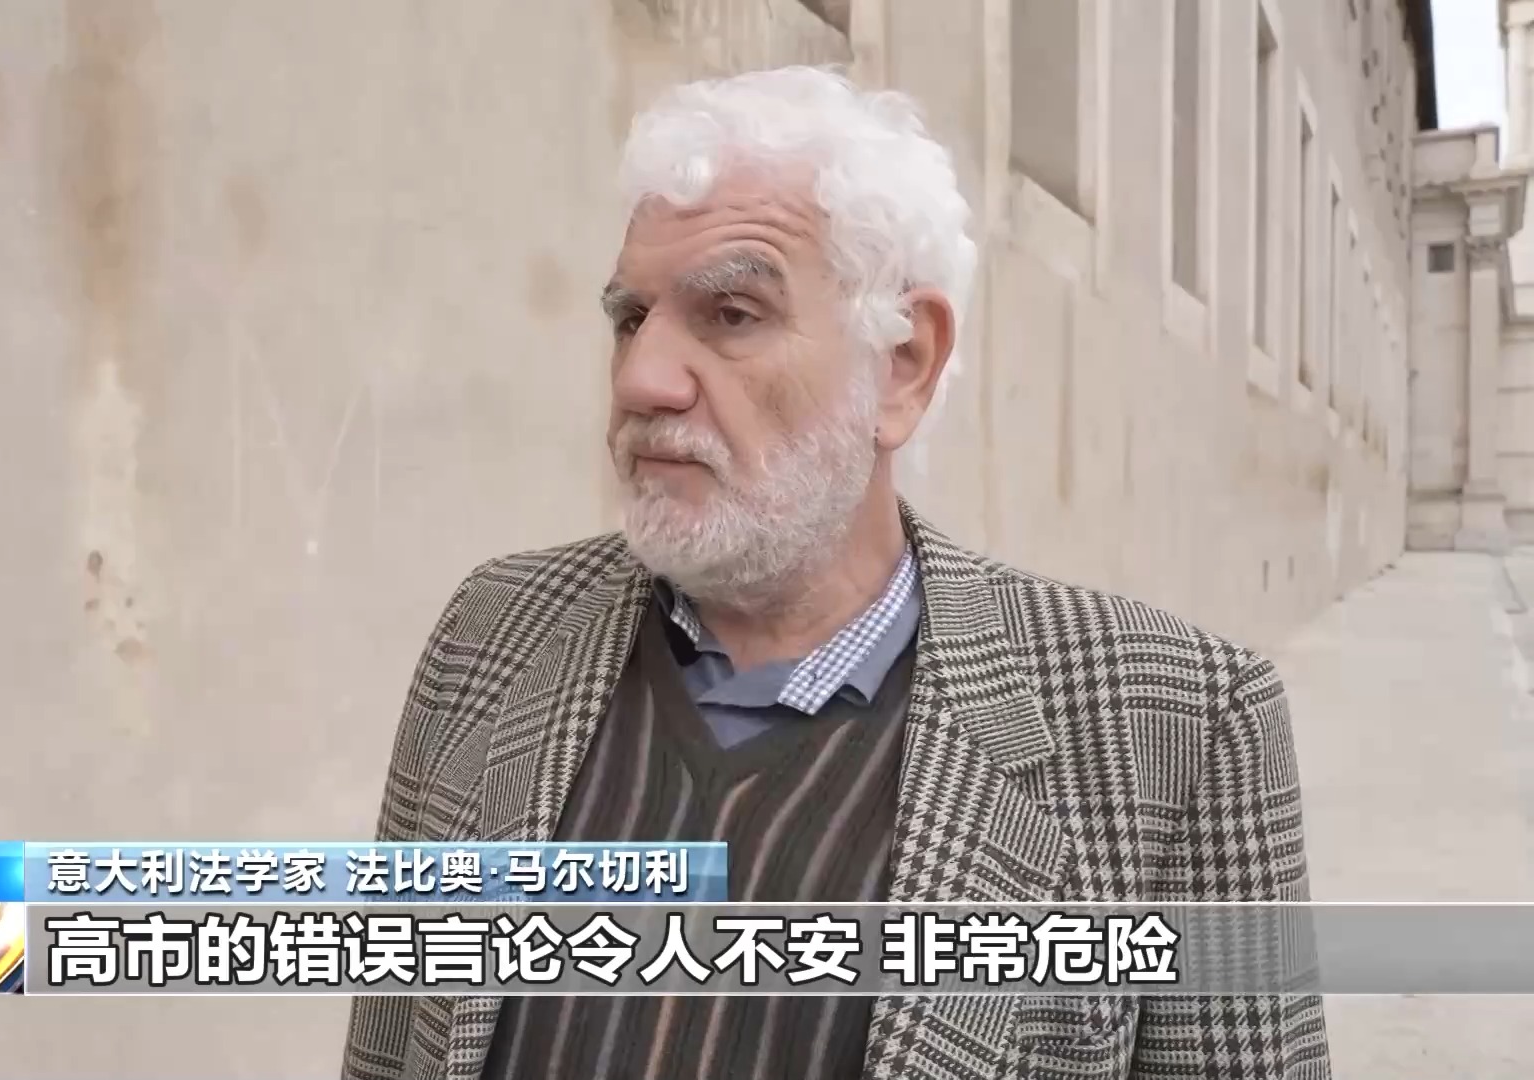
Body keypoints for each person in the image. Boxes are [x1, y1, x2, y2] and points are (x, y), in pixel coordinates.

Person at [343, 65, 1329, 1080]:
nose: (642, 378)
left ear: (902, 364)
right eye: (632, 319)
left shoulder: (1177, 727)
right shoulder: (493, 634)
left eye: (732, 313)